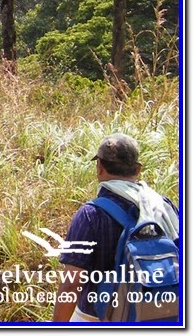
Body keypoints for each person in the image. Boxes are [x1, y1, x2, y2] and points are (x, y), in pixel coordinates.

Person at [53, 133, 180, 322]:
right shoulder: (164, 207)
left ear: (99, 167)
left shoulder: (90, 215)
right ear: (137, 169)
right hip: (162, 314)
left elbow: (72, 284)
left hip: (96, 317)